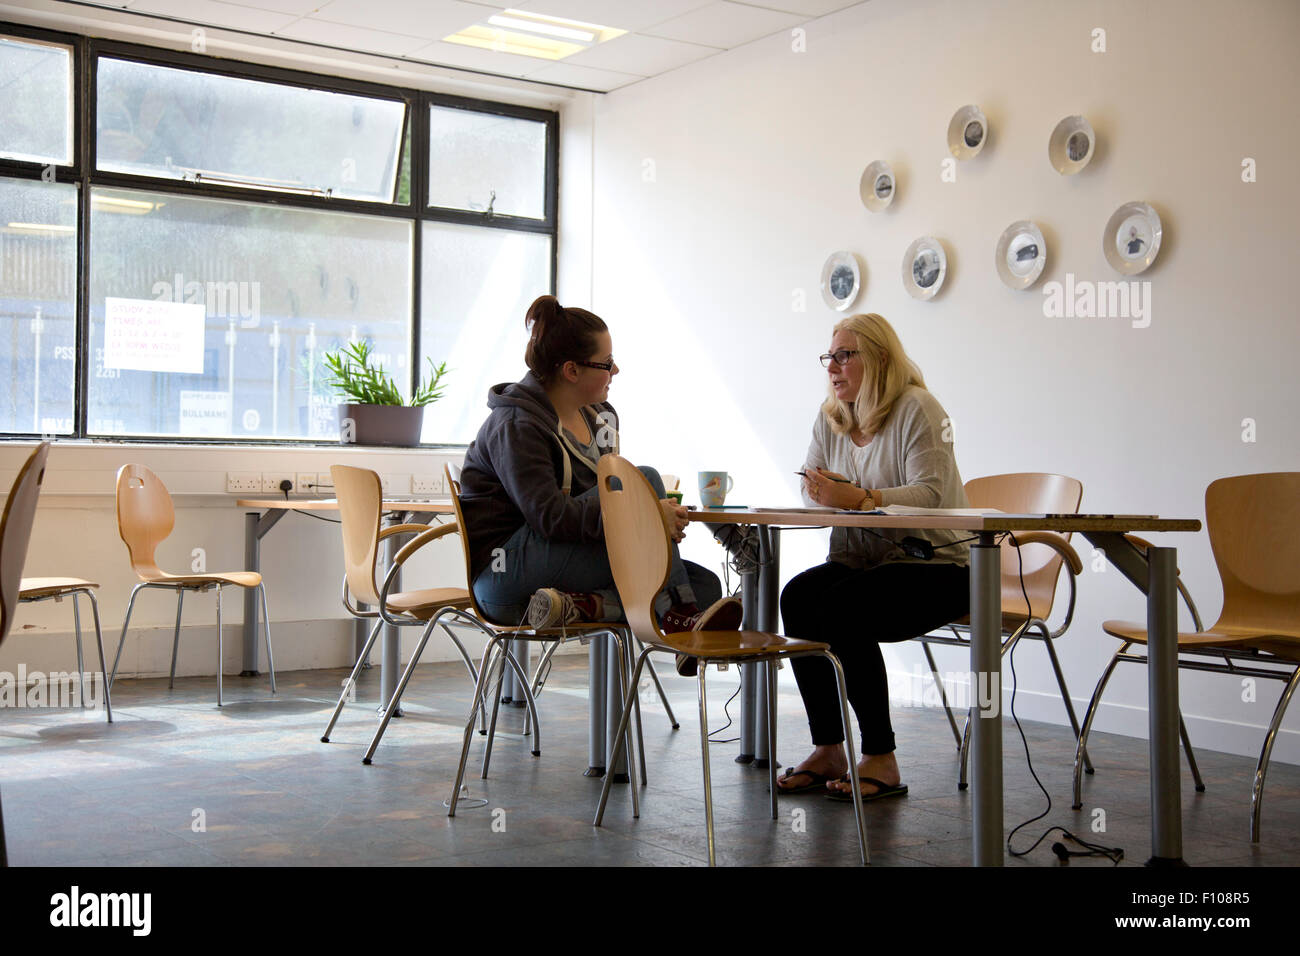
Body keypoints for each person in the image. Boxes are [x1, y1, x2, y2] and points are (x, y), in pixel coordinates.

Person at [458, 295, 741, 673]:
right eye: (607, 364)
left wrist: (642, 519)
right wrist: (644, 519)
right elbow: (550, 518)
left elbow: (599, 504)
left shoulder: (598, 418)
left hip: (556, 562)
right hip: (504, 576)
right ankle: (676, 616)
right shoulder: (517, 426)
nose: (617, 370)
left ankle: (581, 605)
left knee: (703, 585)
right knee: (648, 485)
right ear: (572, 371)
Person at [775, 312, 971, 800]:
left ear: (880, 359)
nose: (832, 367)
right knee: (799, 598)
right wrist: (830, 494)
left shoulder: (920, 409)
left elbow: (931, 494)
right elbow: (811, 489)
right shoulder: (831, 417)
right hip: (863, 563)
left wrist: (863, 498)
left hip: (938, 567)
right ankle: (828, 749)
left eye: (845, 355)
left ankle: (881, 757)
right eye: (829, 356)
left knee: (843, 605)